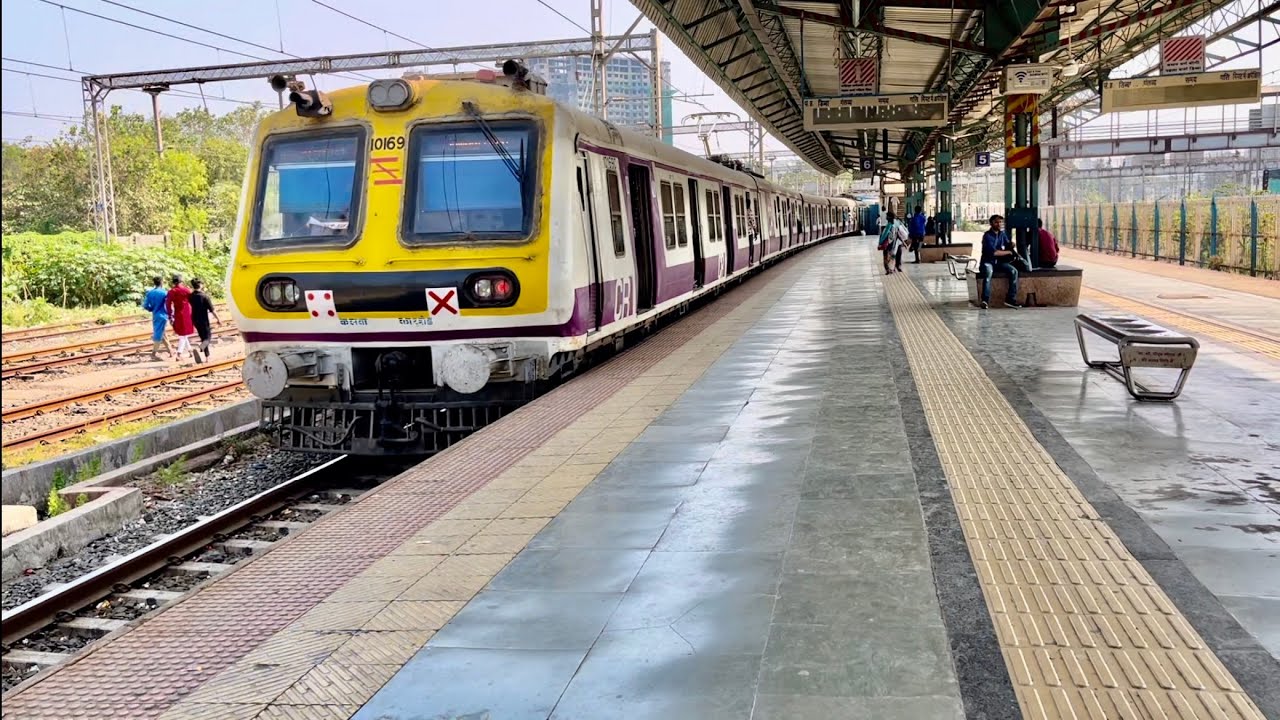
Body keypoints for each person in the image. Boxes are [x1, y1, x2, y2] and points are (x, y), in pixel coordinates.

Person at [979, 215, 1023, 309]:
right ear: (991, 224)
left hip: (999, 263)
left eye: (1000, 222)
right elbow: (994, 253)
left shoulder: (1002, 234)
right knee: (988, 273)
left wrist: (1011, 245)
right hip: (988, 262)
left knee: (1013, 271)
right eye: (996, 222)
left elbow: (1007, 244)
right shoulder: (987, 236)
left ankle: (1010, 299)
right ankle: (985, 300)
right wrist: (1009, 252)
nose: (999, 224)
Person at [165, 274, 198, 363]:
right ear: (181, 281)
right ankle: (179, 354)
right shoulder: (186, 290)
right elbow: (193, 299)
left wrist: (170, 316)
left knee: (183, 334)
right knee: (183, 335)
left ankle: (190, 350)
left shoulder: (171, 292)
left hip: (178, 314)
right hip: (187, 313)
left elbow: (168, 305)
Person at [188, 278, 221, 363]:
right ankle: (201, 348)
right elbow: (212, 310)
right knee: (207, 338)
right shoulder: (204, 296)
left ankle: (207, 357)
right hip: (203, 320)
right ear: (200, 285)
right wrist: (218, 319)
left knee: (203, 337)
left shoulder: (191, 296)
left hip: (195, 319)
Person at [141, 276, 173, 361]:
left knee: (162, 333)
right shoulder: (165, 293)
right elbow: (168, 305)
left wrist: (151, 309)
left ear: (154, 283)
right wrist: (171, 315)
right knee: (159, 334)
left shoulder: (150, 293)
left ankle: (171, 352)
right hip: (163, 315)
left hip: (155, 315)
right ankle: (153, 354)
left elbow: (145, 305)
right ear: (162, 282)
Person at [878, 210, 909, 275]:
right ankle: (893, 268)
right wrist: (904, 242)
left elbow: (884, 235)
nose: (886, 217)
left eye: (887, 216)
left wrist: (880, 243)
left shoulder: (889, 225)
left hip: (889, 243)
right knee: (893, 256)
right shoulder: (896, 223)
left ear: (889, 217)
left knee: (886, 256)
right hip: (895, 243)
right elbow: (898, 234)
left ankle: (888, 270)